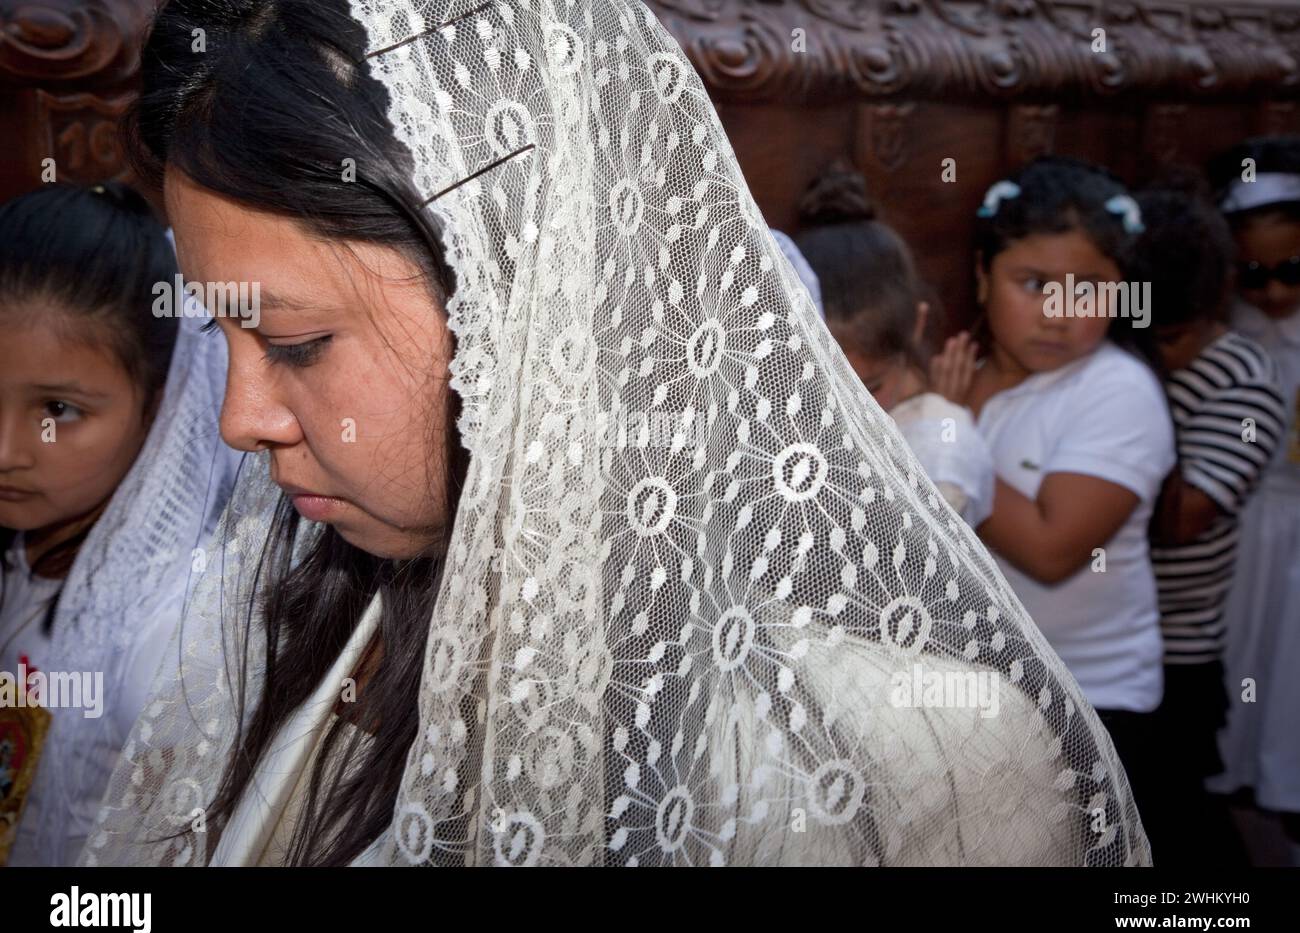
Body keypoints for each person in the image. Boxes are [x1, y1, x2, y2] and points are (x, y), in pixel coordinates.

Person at [81, 0, 1149, 867]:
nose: (237, 420)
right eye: (215, 336)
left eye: (298, 341)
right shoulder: (260, 641)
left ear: (545, 310)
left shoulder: (929, 758)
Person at [930, 158, 1176, 835]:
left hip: (1093, 705)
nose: (1059, 312)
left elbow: (1049, 549)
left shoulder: (1117, 392)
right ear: (982, 277)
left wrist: (949, 432)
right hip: (987, 696)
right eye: (1033, 283)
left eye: (1090, 289)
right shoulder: (965, 378)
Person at [0, 182, 235, 865]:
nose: (7, 451)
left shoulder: (171, 644)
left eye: (59, 409)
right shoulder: (27, 550)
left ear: (156, 404)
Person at [1132, 188, 1285, 866]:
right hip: (1111, 644)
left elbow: (1180, 522)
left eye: (1171, 338)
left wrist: (1128, 410)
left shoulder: (1244, 384)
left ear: (1221, 297)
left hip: (1178, 655)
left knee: (1179, 822)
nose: (1160, 356)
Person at [795, 164, 994, 528]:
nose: (850, 410)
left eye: (870, 387)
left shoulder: (937, 453)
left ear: (917, 324)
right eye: (825, 390)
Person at [1205, 136, 1300, 861]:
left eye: (1291, 271)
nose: (1272, 291)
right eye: (1254, 274)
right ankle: (1232, 772)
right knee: (1240, 647)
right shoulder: (1229, 336)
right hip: (1242, 528)